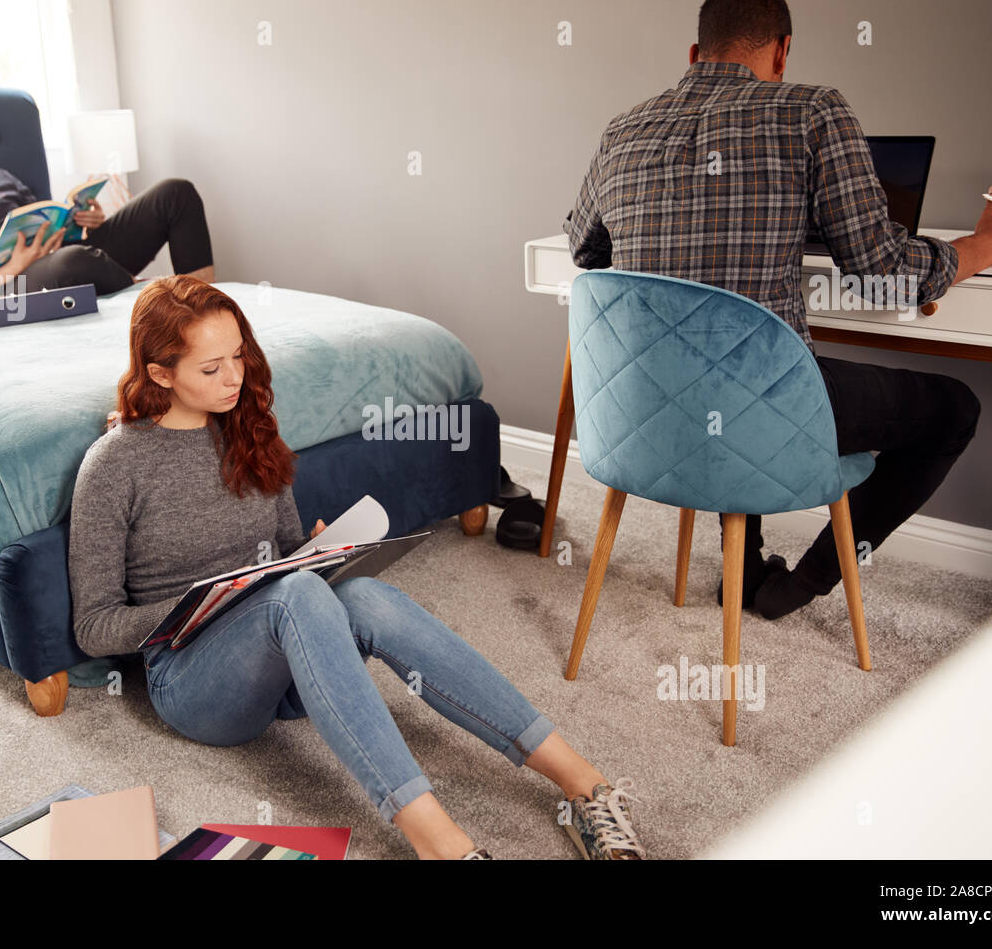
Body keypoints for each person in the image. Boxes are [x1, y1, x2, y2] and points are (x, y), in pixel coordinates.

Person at [67, 275, 648, 860]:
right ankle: (441, 843)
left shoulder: (247, 430)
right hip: (194, 683)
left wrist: (319, 557)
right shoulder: (116, 465)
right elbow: (93, 629)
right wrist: (211, 598)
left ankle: (584, 785)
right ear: (161, 372)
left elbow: (288, 552)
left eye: (238, 356)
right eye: (211, 368)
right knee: (292, 596)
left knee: (362, 593)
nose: (235, 378)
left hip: (286, 657)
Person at [564, 0, 992, 619]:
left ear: (694, 54)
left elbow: (584, 249)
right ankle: (806, 581)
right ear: (782, 50)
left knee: (728, 354)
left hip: (641, 415)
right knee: (951, 409)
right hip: (756, 407)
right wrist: (981, 247)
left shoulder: (621, 128)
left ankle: (742, 572)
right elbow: (884, 272)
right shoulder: (811, 110)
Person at [0, 83, 215, 301]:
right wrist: (11, 267)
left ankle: (205, 303)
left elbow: (55, 228)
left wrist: (87, 221)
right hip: (11, 286)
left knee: (175, 193)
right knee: (74, 260)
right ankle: (165, 298)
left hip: (74, 256)